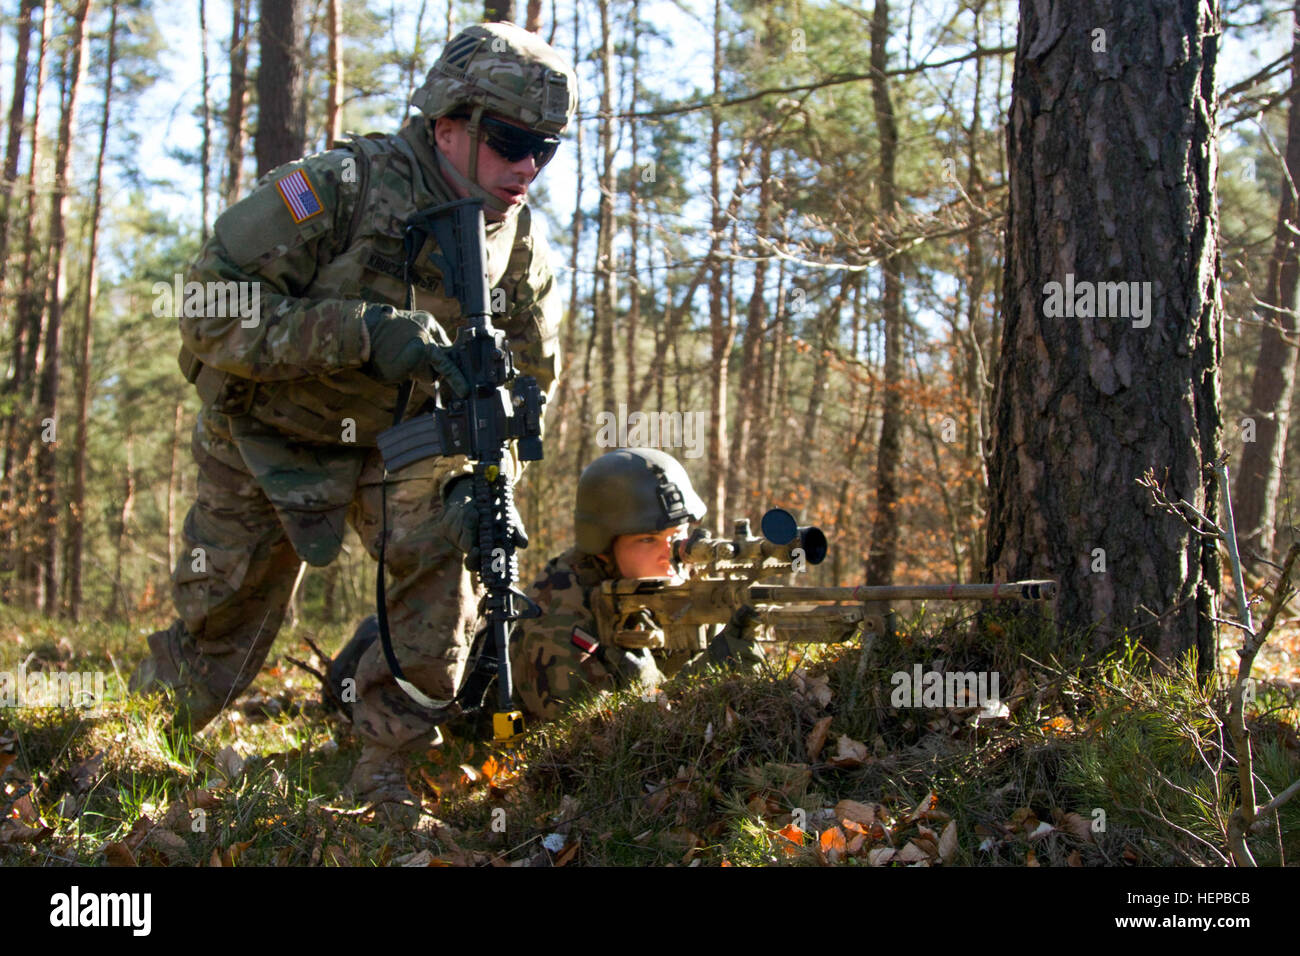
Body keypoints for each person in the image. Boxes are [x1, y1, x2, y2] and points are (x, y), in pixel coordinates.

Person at [128, 21, 579, 826]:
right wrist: (361, 331)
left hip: (399, 447)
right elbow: (206, 307)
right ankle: (130, 750)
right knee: (222, 628)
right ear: (447, 124)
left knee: (453, 549)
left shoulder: (522, 248)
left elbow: (530, 380)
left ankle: (386, 771)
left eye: (545, 148)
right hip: (268, 435)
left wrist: (496, 464)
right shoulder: (338, 187)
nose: (527, 166)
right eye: (510, 139)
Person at [509, 448, 764, 722]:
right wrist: (699, 678)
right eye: (648, 539)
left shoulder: (677, 576)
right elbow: (590, 742)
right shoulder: (556, 617)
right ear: (603, 544)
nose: (668, 553)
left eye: (677, 535)